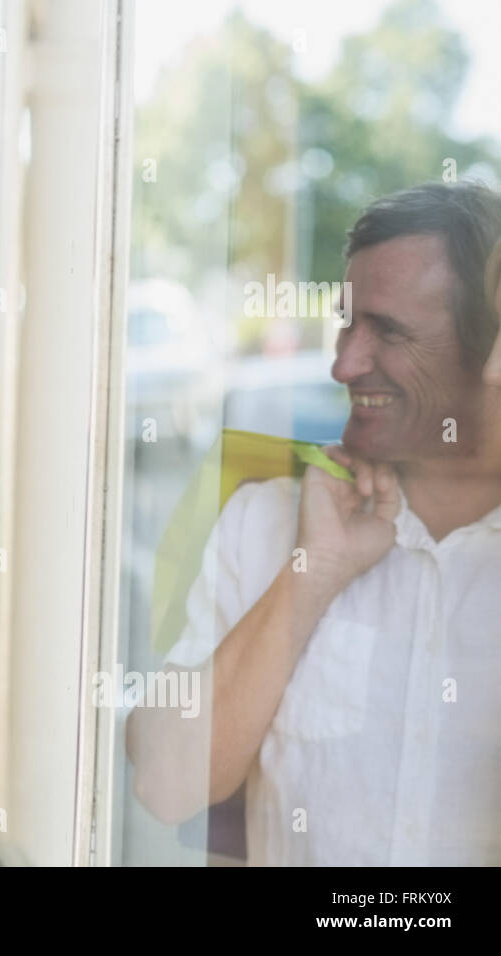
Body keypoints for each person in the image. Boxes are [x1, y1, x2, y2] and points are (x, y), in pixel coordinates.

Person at [127, 181, 501, 865]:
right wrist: (312, 575)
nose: (343, 363)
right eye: (346, 322)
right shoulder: (265, 519)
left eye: (389, 331)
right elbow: (164, 782)